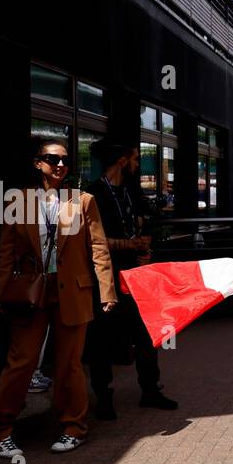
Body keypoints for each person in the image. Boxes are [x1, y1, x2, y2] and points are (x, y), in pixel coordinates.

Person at [0, 139, 116, 458]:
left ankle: (74, 428)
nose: (59, 165)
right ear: (37, 163)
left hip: (74, 290)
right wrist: (0, 292)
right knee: (22, 361)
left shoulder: (83, 201)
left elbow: (98, 248)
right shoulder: (18, 200)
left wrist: (107, 290)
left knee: (69, 364)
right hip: (32, 292)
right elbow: (6, 252)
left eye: (65, 160)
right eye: (52, 159)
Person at [85, 139, 178, 419]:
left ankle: (150, 390)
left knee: (147, 335)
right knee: (102, 340)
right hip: (106, 279)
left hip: (135, 277)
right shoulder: (94, 195)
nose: (138, 165)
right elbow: (92, 243)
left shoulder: (128, 192)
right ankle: (104, 398)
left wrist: (144, 248)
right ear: (122, 161)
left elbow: (136, 229)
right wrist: (132, 245)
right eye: (135, 159)